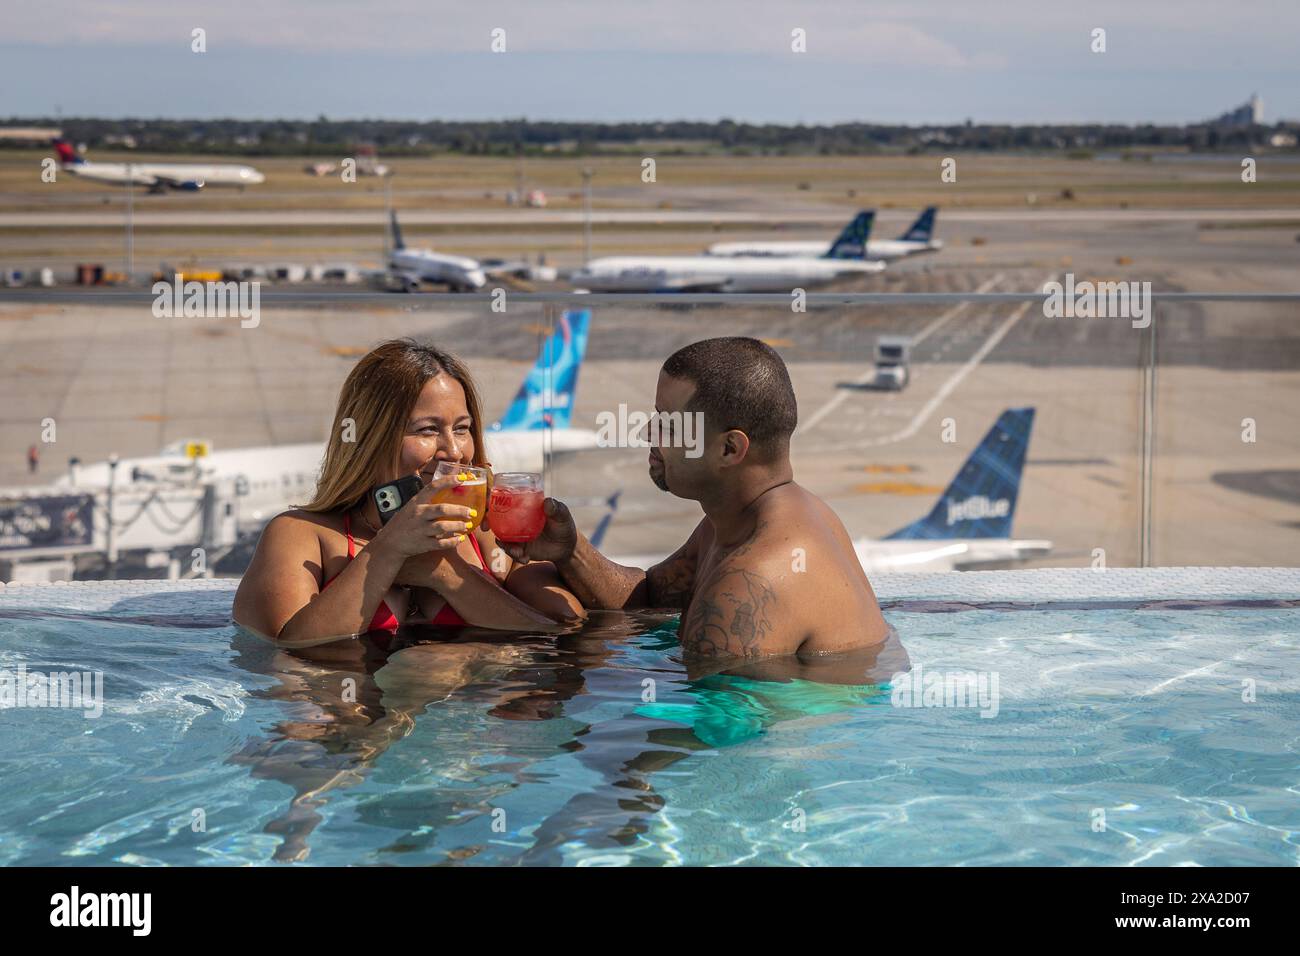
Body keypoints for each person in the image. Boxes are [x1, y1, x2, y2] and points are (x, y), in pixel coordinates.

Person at [501, 337, 890, 661]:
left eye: (669, 425)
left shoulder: (750, 582)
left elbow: (707, 741)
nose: (647, 435)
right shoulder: (755, 520)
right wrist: (570, 551)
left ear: (729, 449)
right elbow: (650, 595)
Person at [233, 339, 585, 646]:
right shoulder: (304, 534)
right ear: (371, 438)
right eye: (428, 430)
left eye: (462, 429)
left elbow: (562, 631)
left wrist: (444, 575)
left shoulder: (488, 530)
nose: (455, 450)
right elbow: (290, 653)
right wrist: (388, 550)